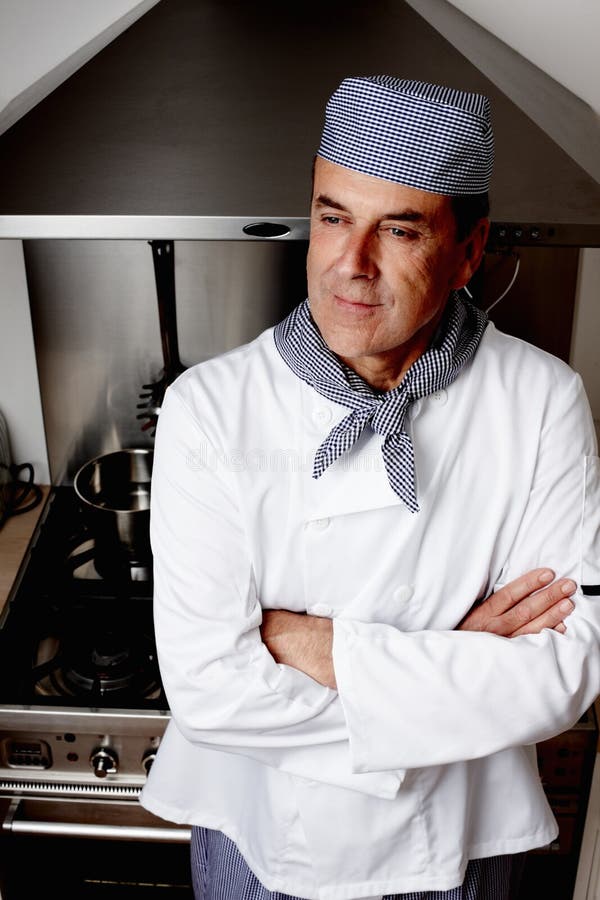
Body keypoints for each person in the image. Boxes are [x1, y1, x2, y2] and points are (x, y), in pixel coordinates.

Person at [140, 77, 600, 900]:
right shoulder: (209, 407)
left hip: (456, 848)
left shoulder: (541, 401)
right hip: (256, 842)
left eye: (399, 229)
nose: (351, 265)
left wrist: (307, 642)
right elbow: (210, 691)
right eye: (332, 218)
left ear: (469, 250)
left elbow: (562, 673)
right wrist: (458, 658)